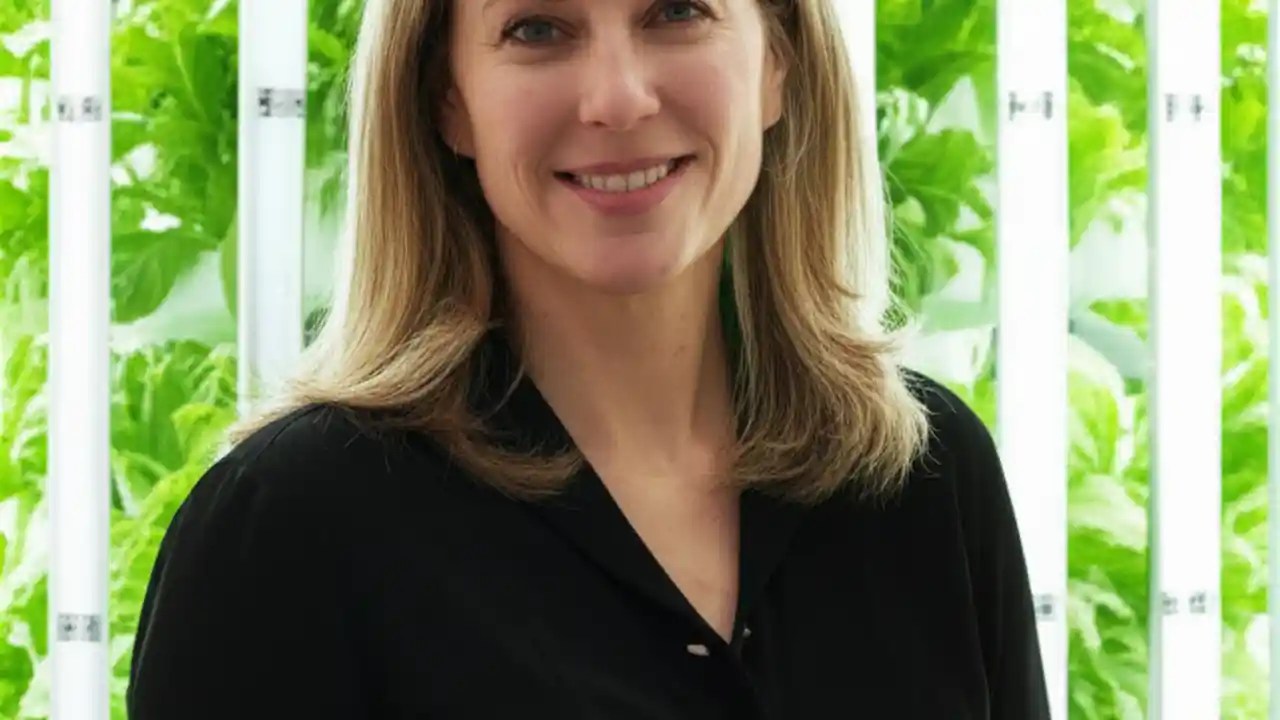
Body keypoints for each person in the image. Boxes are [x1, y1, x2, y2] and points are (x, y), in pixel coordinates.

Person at [126, 0, 1050, 718]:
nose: (618, 98)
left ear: (779, 62)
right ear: (447, 99)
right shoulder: (285, 532)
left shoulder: (929, 477)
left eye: (677, 11)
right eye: (537, 29)